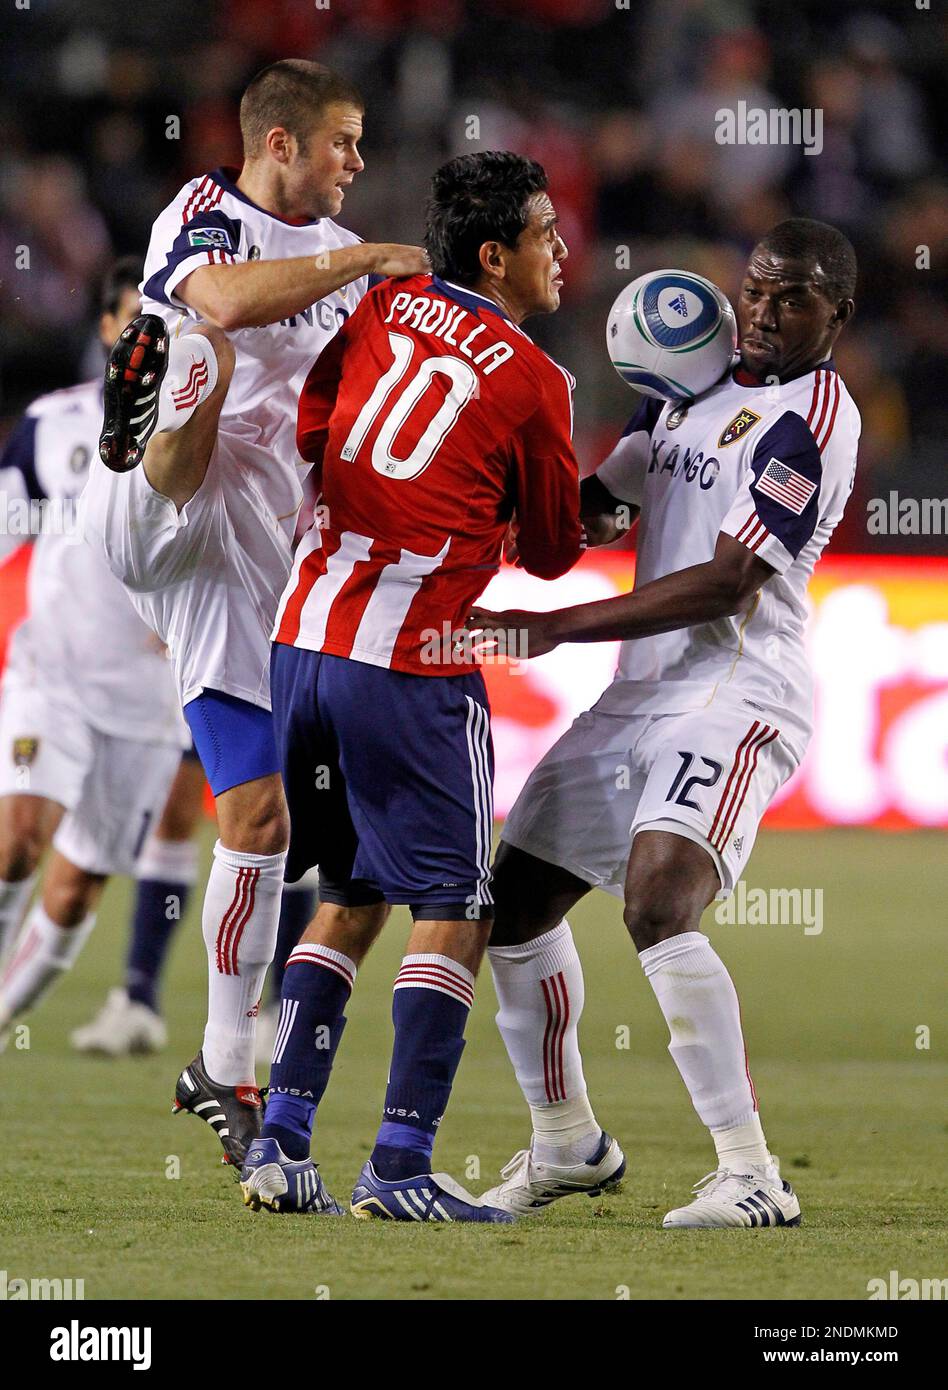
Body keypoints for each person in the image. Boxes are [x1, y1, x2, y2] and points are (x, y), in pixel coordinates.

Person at [471, 218, 860, 1229]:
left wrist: (553, 625)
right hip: (637, 696)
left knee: (656, 901)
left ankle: (752, 1173)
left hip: (734, 689)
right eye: (759, 290)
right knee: (505, 908)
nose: (766, 313)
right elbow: (612, 498)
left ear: (837, 314)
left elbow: (730, 582)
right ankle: (568, 1145)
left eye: (794, 298)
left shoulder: (810, 421)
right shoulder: (692, 381)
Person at [81, 60, 427, 1165]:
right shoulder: (206, 212)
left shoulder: (351, 283)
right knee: (198, 335)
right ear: (280, 143)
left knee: (261, 825)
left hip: (242, 562)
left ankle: (226, 1060)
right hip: (158, 506)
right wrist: (367, 257)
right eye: (343, 141)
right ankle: (150, 412)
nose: (358, 163)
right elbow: (224, 295)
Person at [239, 150, 585, 1220]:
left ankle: (283, 1141)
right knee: (455, 902)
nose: (562, 250)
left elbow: (314, 428)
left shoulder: (382, 309)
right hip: (415, 657)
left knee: (345, 892)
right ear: (496, 256)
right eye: (543, 233)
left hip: (301, 641)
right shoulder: (535, 379)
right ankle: (399, 1164)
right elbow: (556, 547)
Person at [0, 259, 187, 1042]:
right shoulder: (52, 423)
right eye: (135, 319)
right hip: (54, 676)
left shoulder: (204, 437)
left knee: (75, 892)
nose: (149, 336)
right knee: (17, 844)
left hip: (149, 701)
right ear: (109, 329)